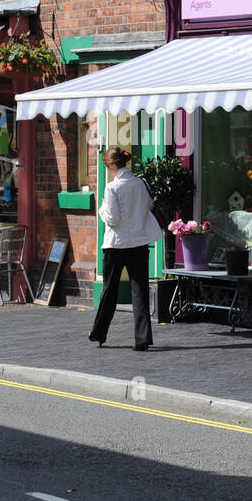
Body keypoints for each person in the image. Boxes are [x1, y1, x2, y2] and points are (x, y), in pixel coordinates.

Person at [88, 147, 163, 350]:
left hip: (116, 245)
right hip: (139, 243)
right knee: (140, 292)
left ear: (112, 165)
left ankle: (99, 334)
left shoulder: (112, 188)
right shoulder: (141, 183)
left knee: (109, 290)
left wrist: (102, 207)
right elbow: (148, 206)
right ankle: (142, 340)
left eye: (107, 166)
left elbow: (112, 219)